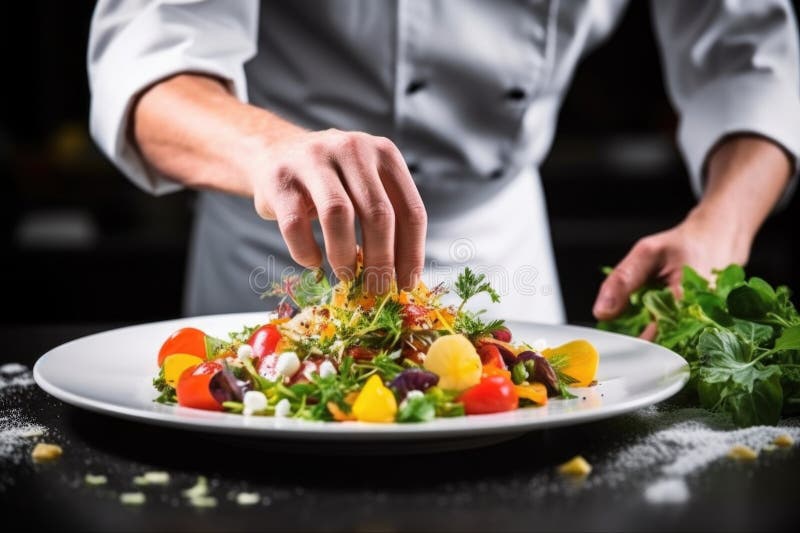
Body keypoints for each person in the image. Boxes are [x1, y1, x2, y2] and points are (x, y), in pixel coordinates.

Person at [88, 1, 799, 327]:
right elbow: (148, 64)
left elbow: (752, 58)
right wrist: (269, 148)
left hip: (498, 248)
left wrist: (725, 225)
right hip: (280, 237)